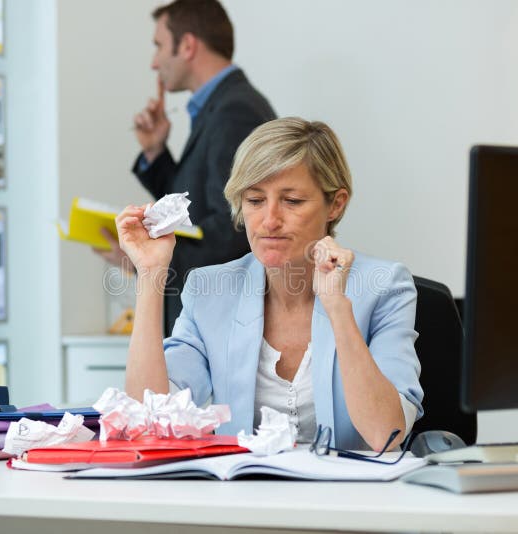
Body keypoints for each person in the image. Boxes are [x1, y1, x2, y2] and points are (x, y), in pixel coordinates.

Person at [118, 117, 423, 452]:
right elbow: (148, 415)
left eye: (292, 201)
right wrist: (149, 274)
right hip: (248, 496)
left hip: (349, 497)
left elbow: (386, 435)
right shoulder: (209, 291)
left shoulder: (385, 287)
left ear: (335, 204)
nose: (270, 220)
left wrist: (336, 307)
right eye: (254, 200)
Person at [96, 0, 276, 336]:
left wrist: (150, 261)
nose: (154, 62)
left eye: (159, 46)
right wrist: (156, 153)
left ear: (188, 45)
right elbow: (200, 207)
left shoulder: (234, 111)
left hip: (219, 325)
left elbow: (235, 228)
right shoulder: (221, 107)